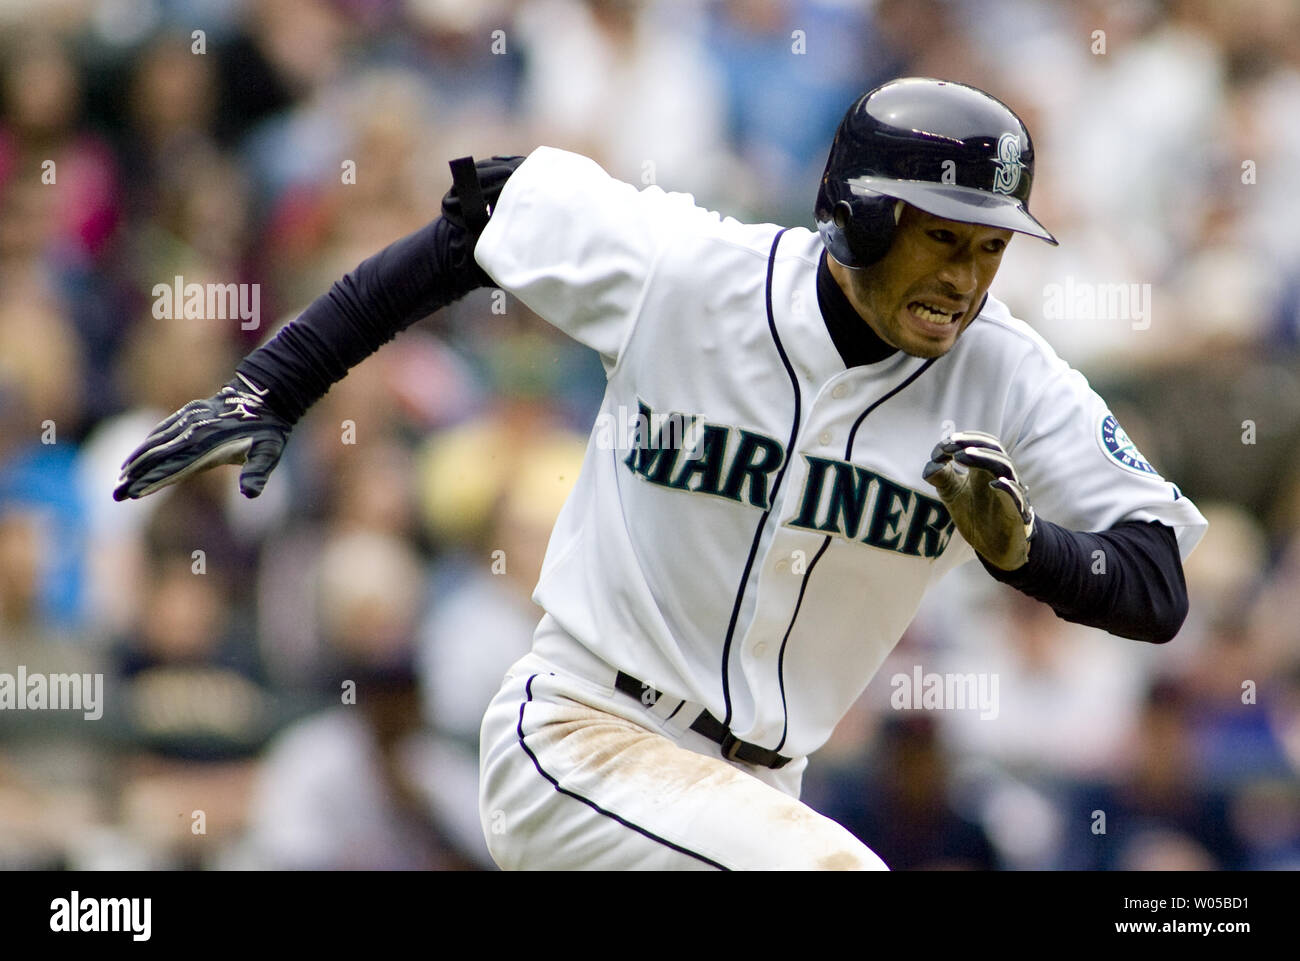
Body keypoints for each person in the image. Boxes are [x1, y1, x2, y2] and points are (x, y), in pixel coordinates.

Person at [114, 77, 1208, 870]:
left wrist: (1024, 553)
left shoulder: (1005, 376)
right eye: (942, 237)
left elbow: (1156, 585)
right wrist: (275, 385)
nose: (966, 277)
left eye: (988, 248)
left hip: (755, 790)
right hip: (582, 738)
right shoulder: (690, 272)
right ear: (862, 213)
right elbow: (483, 217)